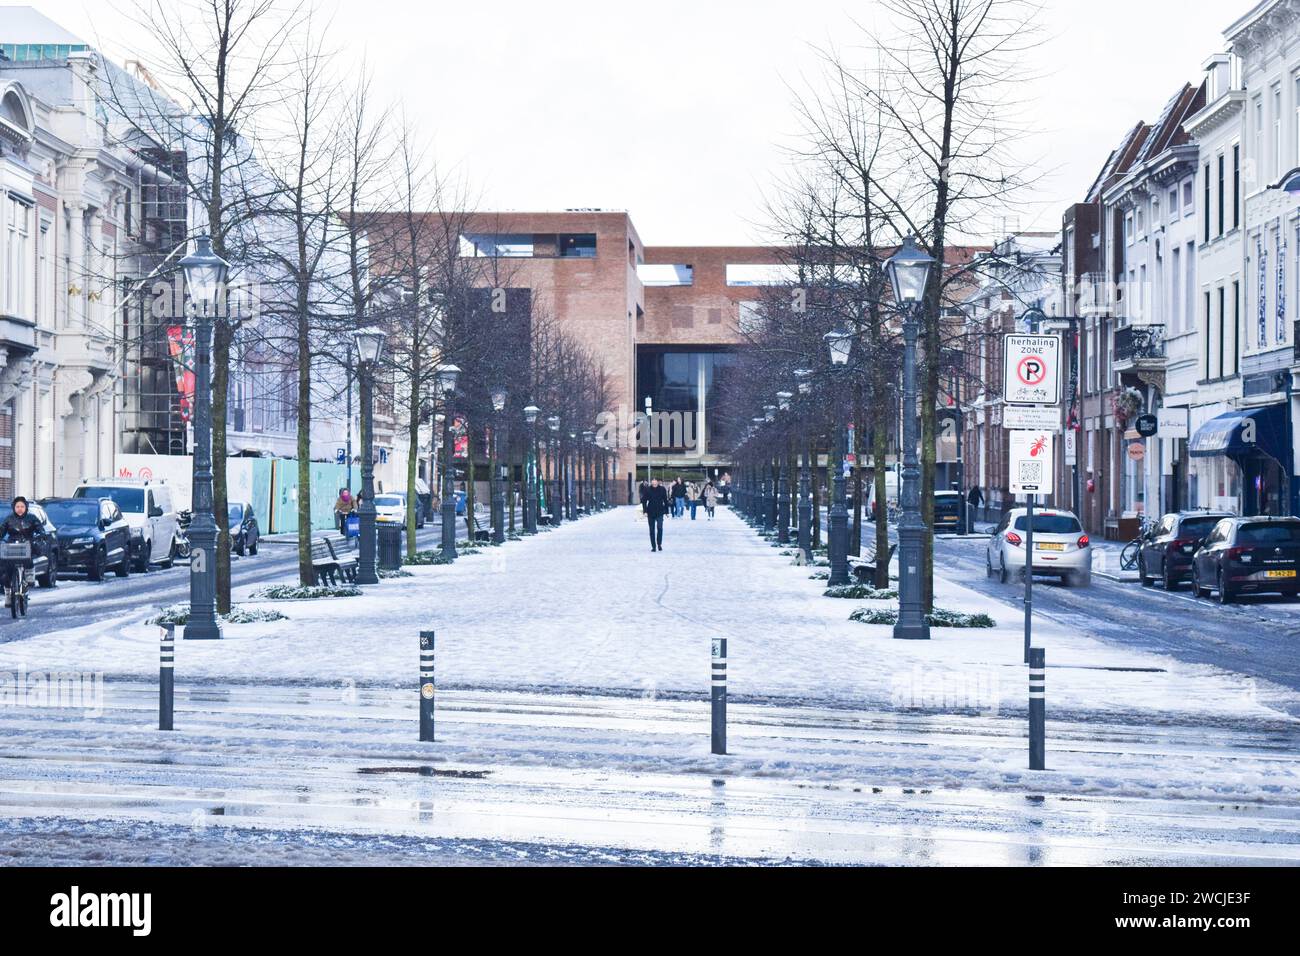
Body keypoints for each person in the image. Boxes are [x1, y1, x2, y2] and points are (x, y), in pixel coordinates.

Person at [0, 497, 41, 605]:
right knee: (6, 570)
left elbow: (40, 529)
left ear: (26, 507)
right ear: (14, 508)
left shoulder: (32, 518)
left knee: (29, 557)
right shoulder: (9, 519)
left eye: (22, 506)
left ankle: (30, 574)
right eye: (17, 506)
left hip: (28, 543)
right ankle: (8, 594)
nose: (20, 509)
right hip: (12, 545)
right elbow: (2, 531)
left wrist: (40, 535)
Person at [644, 478, 669, 551]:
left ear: (658, 483)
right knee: (651, 530)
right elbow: (644, 501)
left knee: (660, 528)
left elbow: (665, 500)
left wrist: (667, 511)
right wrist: (645, 511)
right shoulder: (648, 489)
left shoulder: (662, 489)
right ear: (651, 483)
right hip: (650, 511)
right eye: (653, 484)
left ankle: (659, 543)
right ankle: (653, 546)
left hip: (660, 511)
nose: (654, 485)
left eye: (655, 484)